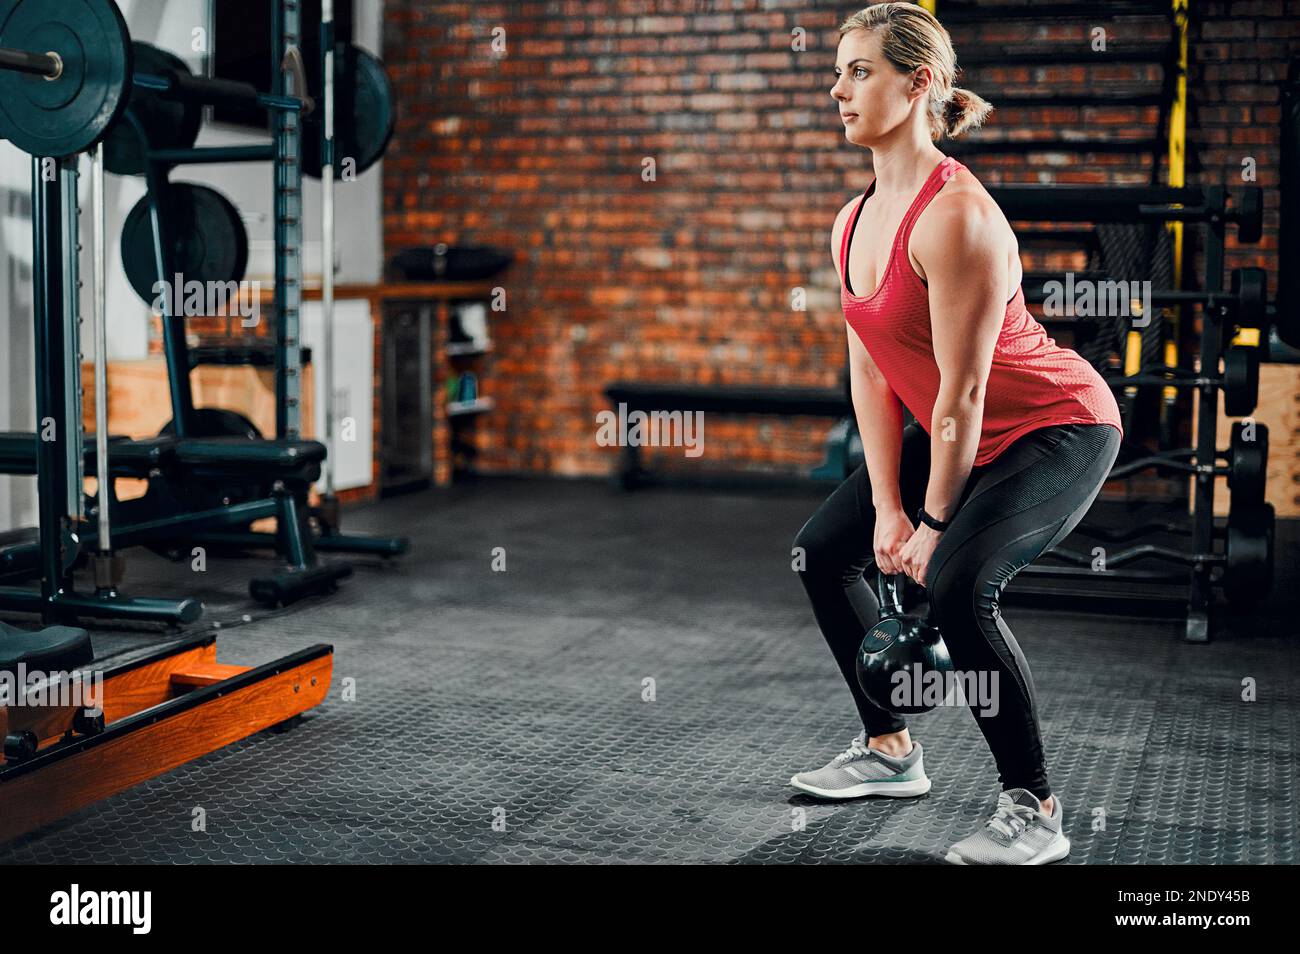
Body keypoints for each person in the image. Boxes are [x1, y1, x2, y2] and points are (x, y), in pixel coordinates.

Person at [789, 2, 1123, 865]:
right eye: (838, 70)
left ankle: (1035, 807)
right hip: (956, 429)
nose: (838, 89)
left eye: (858, 70)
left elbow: (964, 395)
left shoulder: (958, 218)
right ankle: (891, 750)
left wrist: (931, 528)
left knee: (962, 585)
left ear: (919, 82)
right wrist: (884, 508)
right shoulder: (852, 219)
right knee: (825, 551)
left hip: (1054, 426)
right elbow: (871, 371)